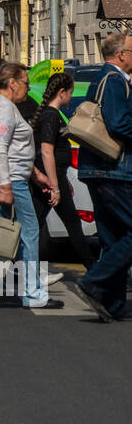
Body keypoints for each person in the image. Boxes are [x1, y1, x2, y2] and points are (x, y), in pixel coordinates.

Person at [0, 61, 61, 311]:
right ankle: (33, 293)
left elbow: (12, 148)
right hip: (7, 179)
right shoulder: (4, 108)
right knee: (29, 232)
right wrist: (6, 187)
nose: (27, 88)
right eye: (25, 83)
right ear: (12, 83)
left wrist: (36, 174)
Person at [72, 32, 132, 321]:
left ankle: (112, 303)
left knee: (114, 236)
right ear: (121, 55)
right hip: (113, 169)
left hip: (99, 168)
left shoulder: (103, 77)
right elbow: (120, 123)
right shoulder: (115, 80)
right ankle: (93, 281)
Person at [29, 71, 92, 270]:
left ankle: (19, 267)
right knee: (72, 226)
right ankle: (94, 270)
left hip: (53, 178)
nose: (71, 97)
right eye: (71, 93)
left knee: (35, 225)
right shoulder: (51, 116)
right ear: (62, 92)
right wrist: (55, 187)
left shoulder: (50, 115)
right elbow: (47, 151)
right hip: (51, 180)